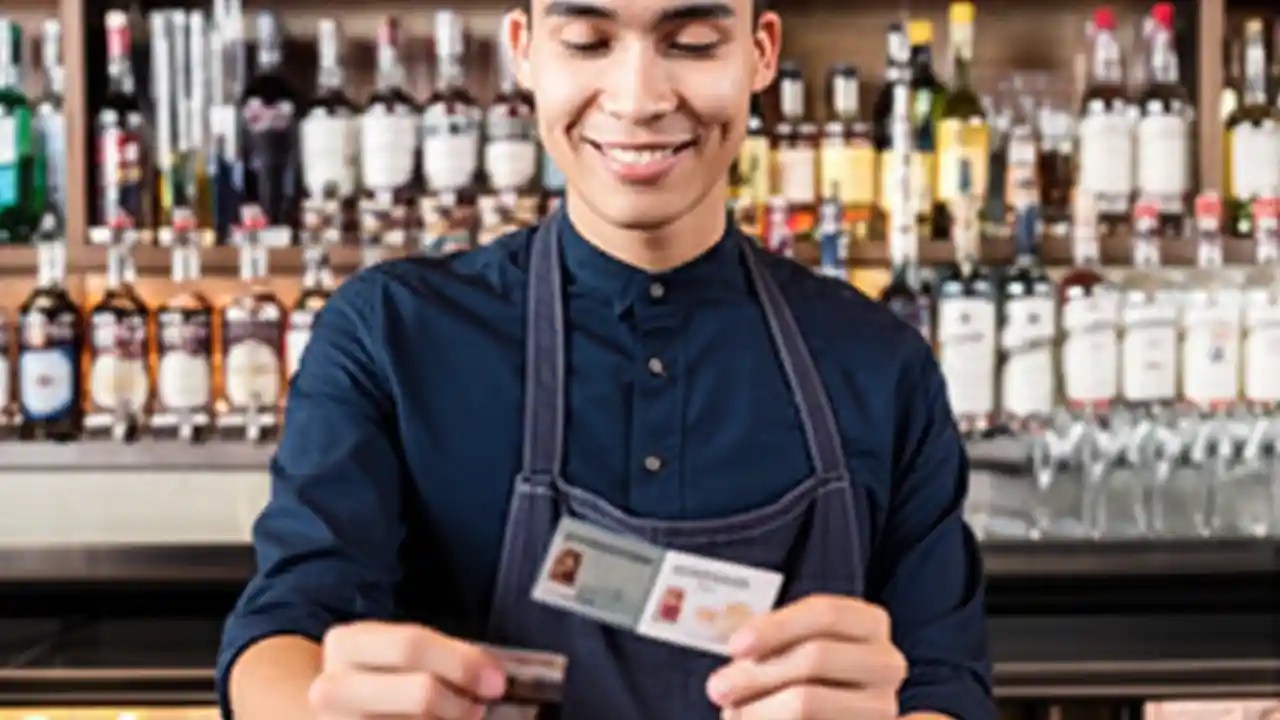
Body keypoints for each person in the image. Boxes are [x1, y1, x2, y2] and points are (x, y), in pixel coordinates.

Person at [217, 0, 995, 718]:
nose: (638, 99)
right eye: (588, 42)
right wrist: (320, 708)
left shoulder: (881, 363)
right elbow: (280, 636)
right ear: (524, 52)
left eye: (692, 44)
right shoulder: (390, 333)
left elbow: (944, 683)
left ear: (760, 54)